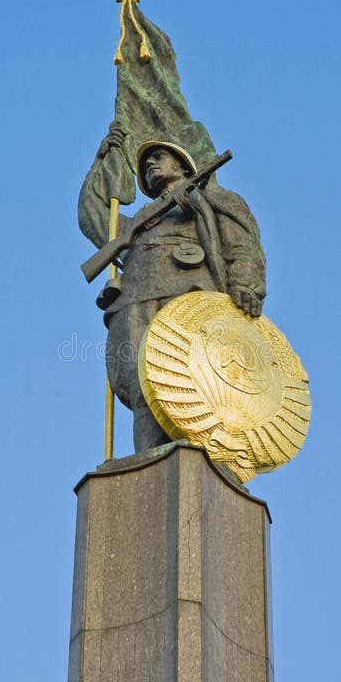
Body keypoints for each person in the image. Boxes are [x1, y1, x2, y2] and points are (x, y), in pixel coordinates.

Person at [78, 127, 267, 452]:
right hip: (136, 299)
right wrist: (101, 163)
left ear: (183, 166)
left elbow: (242, 244)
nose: (150, 163)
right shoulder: (139, 220)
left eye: (159, 156)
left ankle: (205, 458)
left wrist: (245, 283)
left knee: (195, 383)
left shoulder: (213, 200)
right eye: (147, 160)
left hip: (190, 295)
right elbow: (94, 217)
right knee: (143, 387)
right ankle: (148, 460)